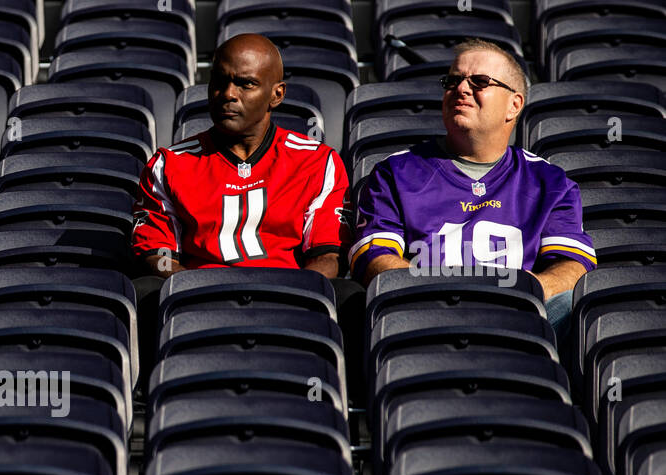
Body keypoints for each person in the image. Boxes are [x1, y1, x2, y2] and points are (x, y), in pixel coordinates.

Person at [130, 33, 357, 392]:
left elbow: (327, 256)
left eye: (245, 84)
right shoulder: (169, 164)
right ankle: (154, 402)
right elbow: (157, 257)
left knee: (349, 296)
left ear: (276, 94)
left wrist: (290, 297)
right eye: (219, 82)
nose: (228, 94)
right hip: (198, 296)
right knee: (142, 292)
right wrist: (198, 290)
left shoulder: (318, 161)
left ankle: (340, 409)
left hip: (289, 295)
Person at [349, 38, 596, 358]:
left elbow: (573, 266)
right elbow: (375, 260)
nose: (461, 89)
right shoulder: (396, 171)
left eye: (479, 82)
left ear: (514, 104)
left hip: (517, 317)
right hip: (425, 315)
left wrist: (533, 290)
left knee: (575, 306)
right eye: (453, 81)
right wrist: (442, 296)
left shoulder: (549, 181)